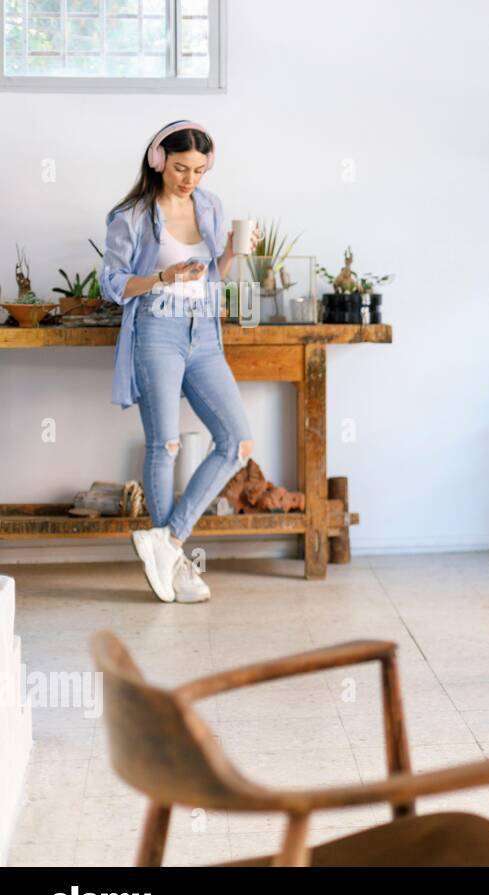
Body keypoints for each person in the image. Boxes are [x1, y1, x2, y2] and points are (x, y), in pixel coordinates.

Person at [100, 120, 255, 603]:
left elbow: (210, 276)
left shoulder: (209, 206)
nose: (190, 179)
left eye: (200, 171)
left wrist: (229, 254)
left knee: (237, 443)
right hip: (157, 329)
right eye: (182, 168)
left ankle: (168, 542)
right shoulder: (131, 215)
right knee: (165, 445)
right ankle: (176, 568)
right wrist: (162, 275)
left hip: (205, 331)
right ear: (158, 160)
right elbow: (113, 284)